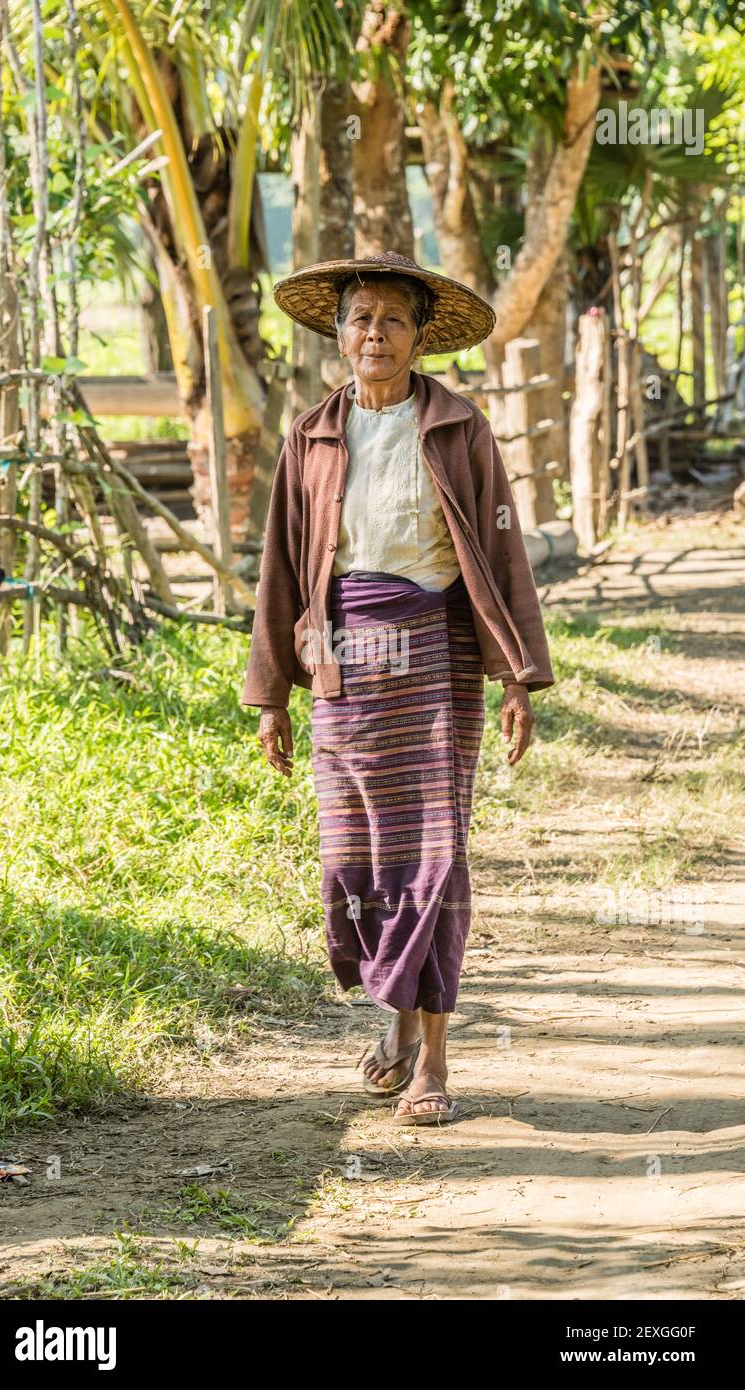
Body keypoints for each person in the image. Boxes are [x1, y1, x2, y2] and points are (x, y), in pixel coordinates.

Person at [242, 251, 555, 1125]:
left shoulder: (460, 429)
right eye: (358, 318)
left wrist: (518, 677)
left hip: (436, 658)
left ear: (420, 338)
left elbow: (500, 559)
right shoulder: (311, 435)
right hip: (342, 662)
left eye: (390, 320)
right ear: (336, 336)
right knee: (355, 861)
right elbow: (281, 570)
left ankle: (433, 1061)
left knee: (434, 861)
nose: (372, 333)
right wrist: (271, 693)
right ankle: (396, 1019)